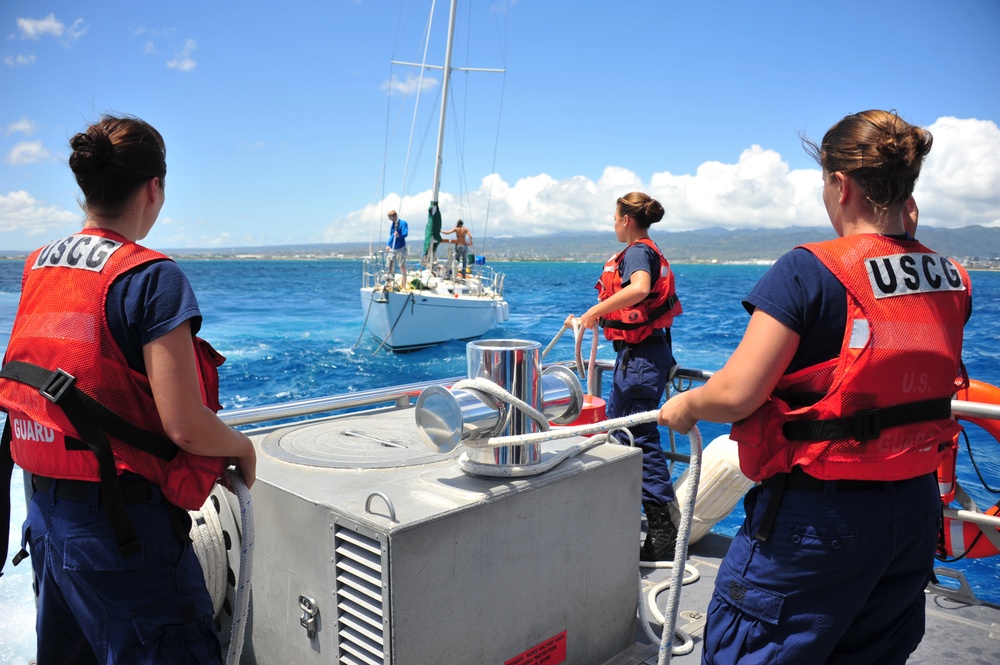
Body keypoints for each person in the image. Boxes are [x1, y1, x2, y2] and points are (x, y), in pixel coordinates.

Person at [657, 110, 971, 664]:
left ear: (839, 184)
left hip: (821, 522)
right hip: (915, 509)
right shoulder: (952, 277)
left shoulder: (807, 270)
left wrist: (685, 404)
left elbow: (736, 394)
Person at [0, 114, 257, 664]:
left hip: (44, 519)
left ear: (87, 187)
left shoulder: (37, 265)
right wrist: (241, 446)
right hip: (120, 536)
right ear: (154, 188)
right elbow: (185, 426)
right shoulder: (151, 279)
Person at [567, 191, 683, 562]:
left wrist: (593, 310)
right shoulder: (644, 249)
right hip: (641, 356)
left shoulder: (636, 251)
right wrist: (594, 318)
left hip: (642, 360)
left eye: (614, 217)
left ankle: (664, 536)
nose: (612, 223)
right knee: (623, 432)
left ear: (626, 220)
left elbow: (640, 288)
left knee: (639, 438)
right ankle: (646, 523)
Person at [385, 209, 408, 287]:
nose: (390, 220)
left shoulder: (403, 223)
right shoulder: (393, 225)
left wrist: (399, 235)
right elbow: (392, 236)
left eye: (391, 218)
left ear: (394, 216)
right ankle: (390, 283)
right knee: (390, 265)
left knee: (402, 266)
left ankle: (404, 285)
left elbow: (405, 233)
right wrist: (388, 245)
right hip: (393, 248)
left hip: (401, 248)